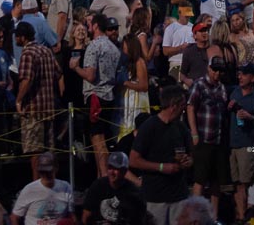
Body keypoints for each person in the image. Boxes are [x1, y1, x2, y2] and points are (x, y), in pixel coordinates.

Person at [130, 84, 193, 225]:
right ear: (173, 106)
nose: (184, 109)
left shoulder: (181, 127)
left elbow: (191, 154)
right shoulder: (149, 127)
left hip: (179, 195)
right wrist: (161, 167)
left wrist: (188, 161)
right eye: (182, 105)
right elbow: (133, 160)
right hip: (155, 197)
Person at [70, 13, 121, 178]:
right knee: (102, 137)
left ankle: (105, 176)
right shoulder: (114, 48)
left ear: (96, 26)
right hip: (110, 96)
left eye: (90, 24)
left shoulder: (94, 46)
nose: (88, 27)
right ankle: (101, 176)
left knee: (98, 139)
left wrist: (75, 68)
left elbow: (90, 76)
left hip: (95, 97)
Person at [15, 20, 64, 179]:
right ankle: (50, 182)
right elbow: (59, 74)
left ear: (22, 37)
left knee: (35, 152)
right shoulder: (46, 50)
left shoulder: (28, 53)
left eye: (17, 36)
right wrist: (59, 96)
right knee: (49, 152)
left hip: (33, 109)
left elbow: (27, 79)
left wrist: (19, 100)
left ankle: (37, 185)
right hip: (49, 108)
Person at [186, 54, 229, 216]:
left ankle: (213, 216)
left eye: (220, 71)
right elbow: (190, 107)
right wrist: (194, 133)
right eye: (214, 70)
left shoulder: (222, 88)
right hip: (203, 138)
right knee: (200, 179)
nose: (217, 73)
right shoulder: (199, 84)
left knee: (216, 182)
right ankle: (195, 216)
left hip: (218, 140)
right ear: (209, 68)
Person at [228, 63, 254, 223]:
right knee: (236, 183)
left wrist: (250, 117)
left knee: (246, 183)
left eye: (244, 74)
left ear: (253, 78)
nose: (240, 77)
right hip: (232, 143)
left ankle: (248, 217)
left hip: (248, 144)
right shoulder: (234, 92)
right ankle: (241, 217)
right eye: (239, 74)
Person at [81, 150, 146, 225]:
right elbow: (86, 217)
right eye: (110, 167)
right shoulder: (98, 186)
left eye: (116, 168)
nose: (111, 172)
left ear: (124, 171)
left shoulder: (134, 193)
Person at [9, 152, 72, 225]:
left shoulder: (66, 187)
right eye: (43, 172)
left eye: (49, 171)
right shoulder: (29, 189)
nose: (46, 175)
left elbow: (72, 215)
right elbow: (14, 217)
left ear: (56, 168)